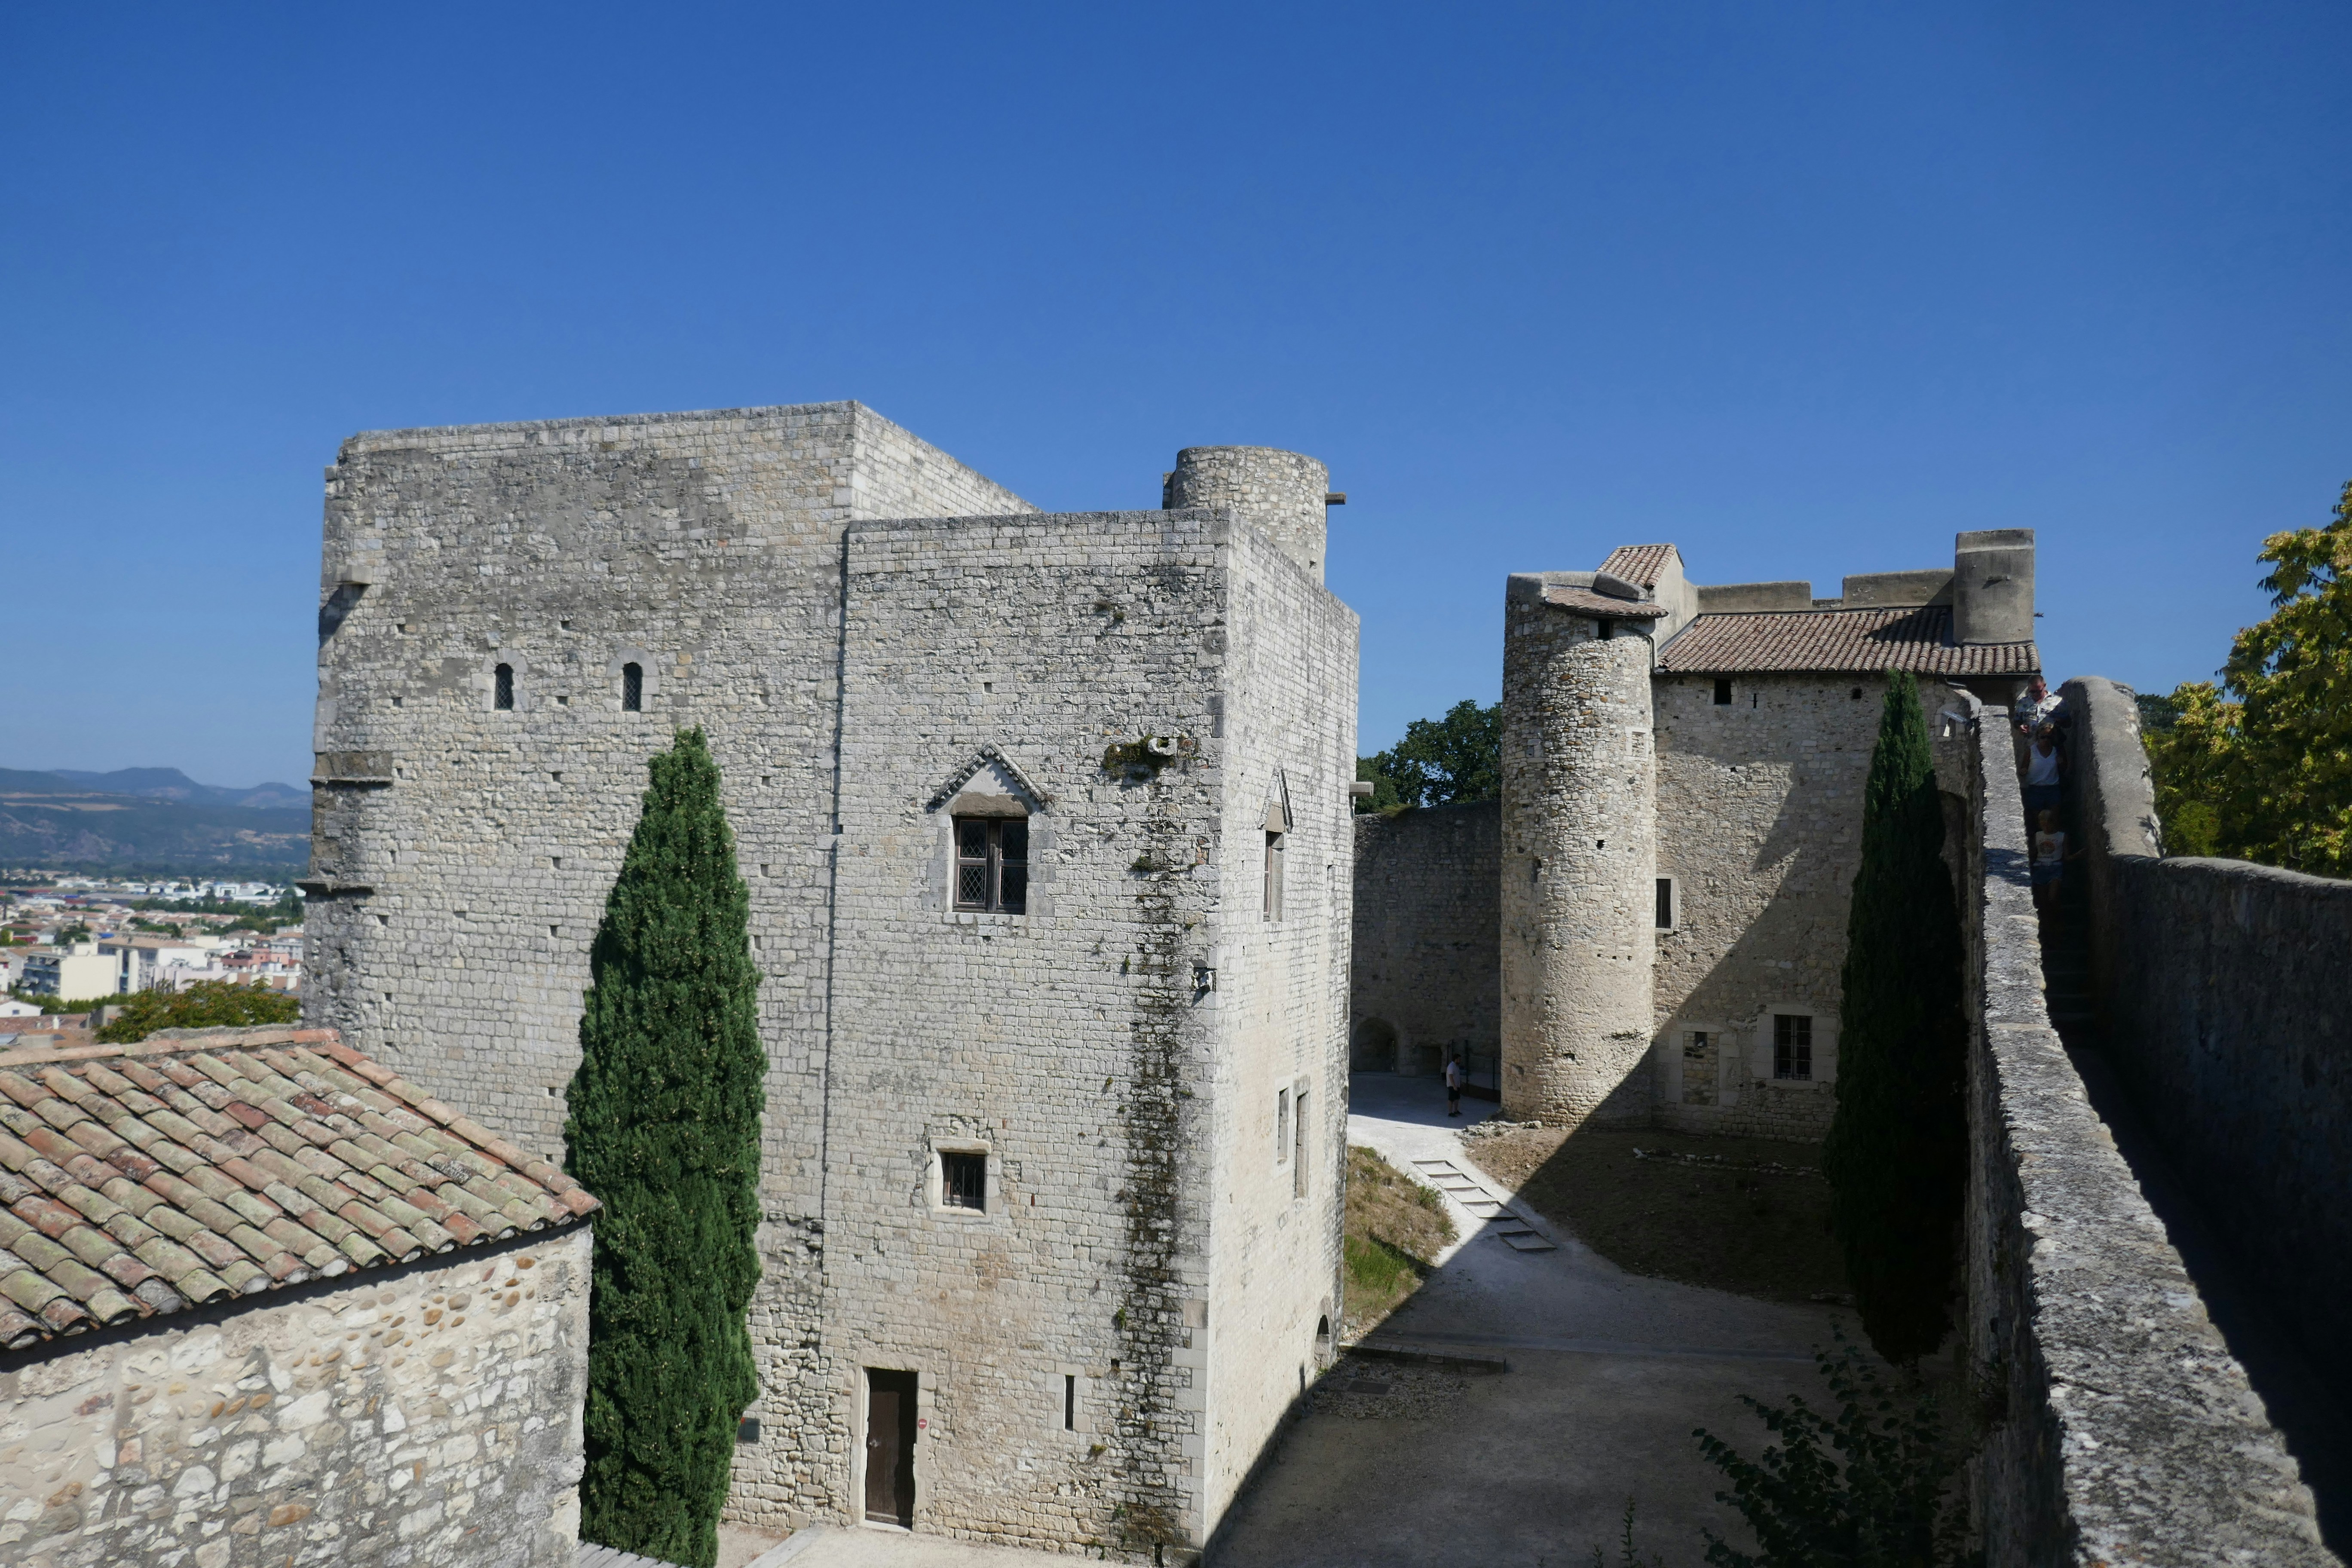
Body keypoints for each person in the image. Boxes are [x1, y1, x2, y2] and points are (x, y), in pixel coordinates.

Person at [2030, 808, 2082, 914]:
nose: (2045, 828)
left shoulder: (2062, 836)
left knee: (2052, 898)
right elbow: (2033, 854)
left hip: (2056, 868)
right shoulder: (2038, 835)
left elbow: (2067, 857)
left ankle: (2056, 919)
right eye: (2042, 825)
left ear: (2053, 823)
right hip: (2040, 868)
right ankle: (2047, 923)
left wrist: (2078, 855)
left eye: (2047, 825)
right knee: (2042, 902)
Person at [2021, 723, 2063, 829]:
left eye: (2049, 737)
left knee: (2055, 818)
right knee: (2038, 820)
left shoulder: (2057, 751)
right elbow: (2023, 768)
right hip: (2035, 789)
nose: (2046, 740)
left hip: (2053, 788)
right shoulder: (2031, 751)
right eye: (2043, 737)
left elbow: (2064, 770)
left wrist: (2061, 763)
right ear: (2038, 737)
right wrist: (2024, 771)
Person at [2015, 674, 2062, 738]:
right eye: (2032, 691)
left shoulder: (2057, 702)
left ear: (2045, 686)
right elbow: (2016, 721)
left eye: (2039, 691)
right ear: (2028, 688)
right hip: (2030, 743)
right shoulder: (2022, 703)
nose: (2035, 694)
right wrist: (2020, 727)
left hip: (2051, 743)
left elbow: (2068, 724)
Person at [1443, 1053, 1464, 1117]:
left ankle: (1456, 1111)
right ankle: (1450, 1112)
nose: (1460, 1061)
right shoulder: (1451, 1066)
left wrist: (1460, 1082)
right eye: (1459, 1059)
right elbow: (1451, 1076)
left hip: (1457, 1085)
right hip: (1452, 1086)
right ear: (1456, 1059)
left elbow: (1457, 1076)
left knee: (1457, 1098)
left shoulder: (1456, 1066)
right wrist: (1454, 1086)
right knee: (1451, 1099)